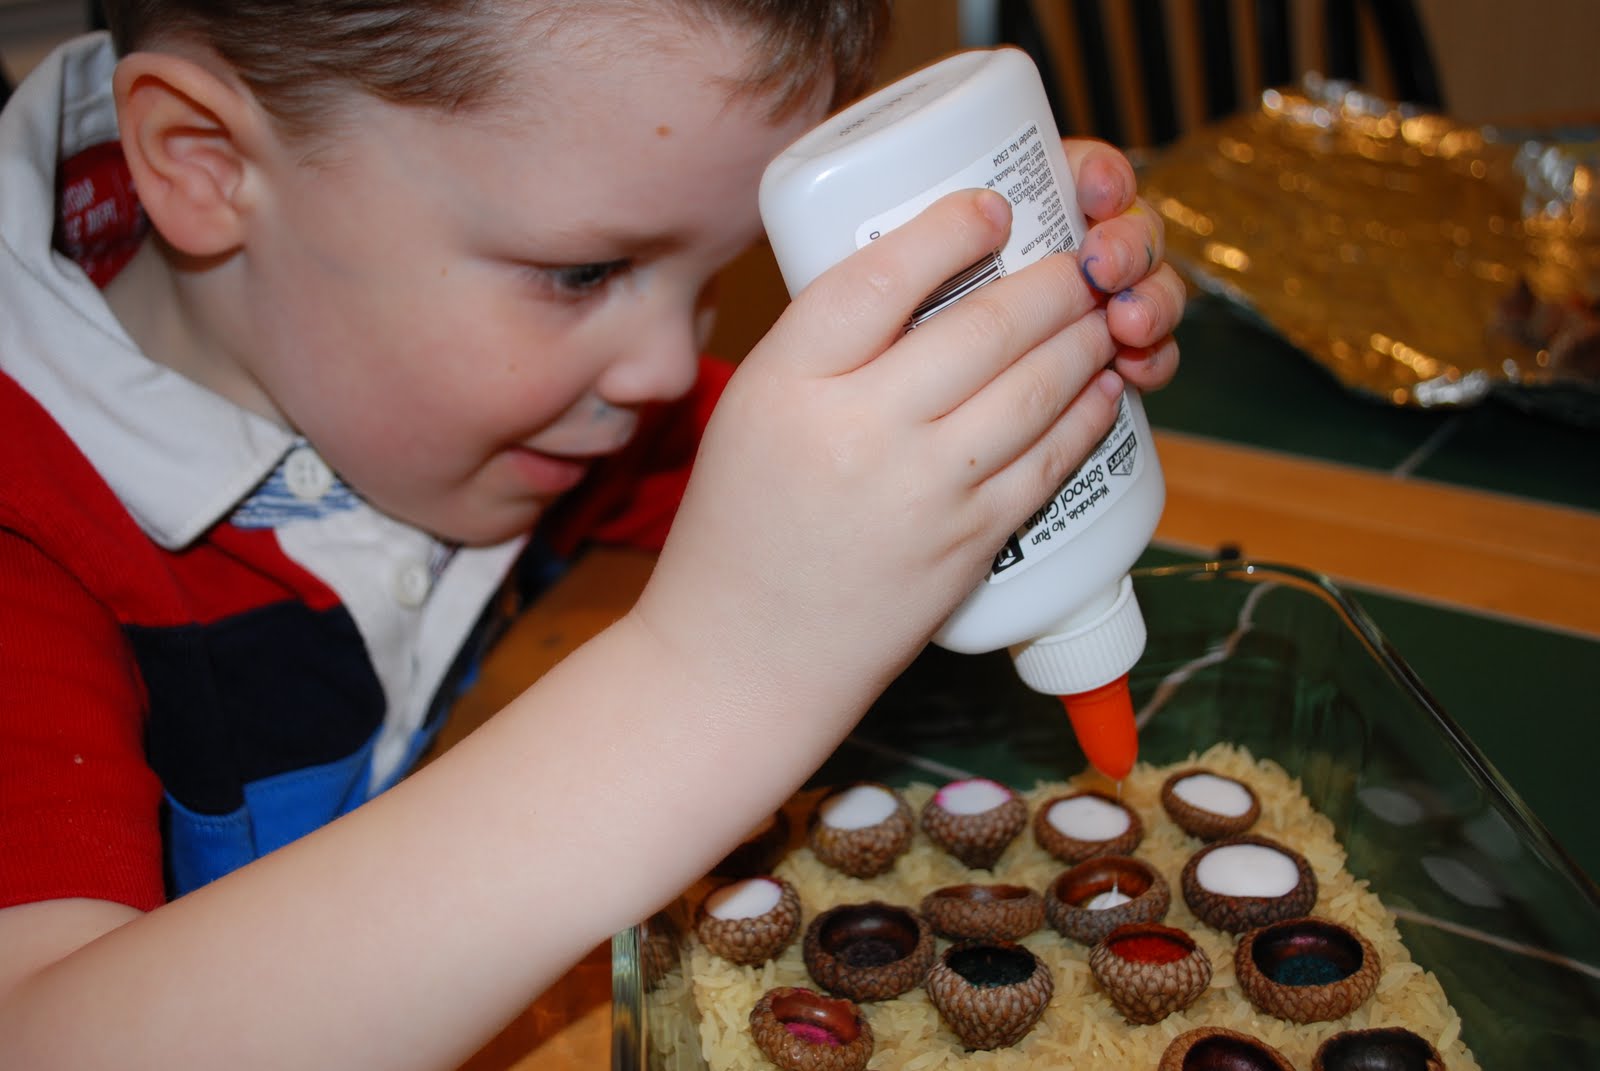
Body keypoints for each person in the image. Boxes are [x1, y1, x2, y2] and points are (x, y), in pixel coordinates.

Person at [0, 1, 1185, 1067]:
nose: (666, 367)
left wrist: (1006, 384)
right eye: (582, 272)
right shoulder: (28, 535)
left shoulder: (523, 410)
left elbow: (849, 508)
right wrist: (708, 674)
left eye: (715, 271)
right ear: (206, 164)